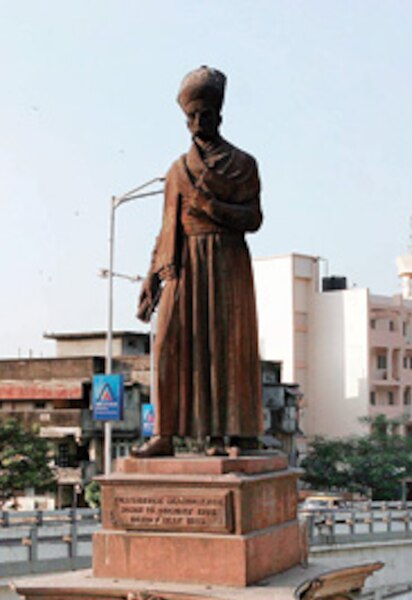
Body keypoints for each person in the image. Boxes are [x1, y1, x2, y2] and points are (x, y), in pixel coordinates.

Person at [133, 66, 264, 458]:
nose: (195, 123)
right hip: (185, 262)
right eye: (189, 117)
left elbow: (254, 218)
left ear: (218, 116)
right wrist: (151, 277)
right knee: (171, 342)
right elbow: (166, 226)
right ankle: (166, 433)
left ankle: (228, 435)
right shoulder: (177, 170)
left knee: (225, 347)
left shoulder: (243, 164)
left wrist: (213, 207)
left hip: (227, 260)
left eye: (203, 115)